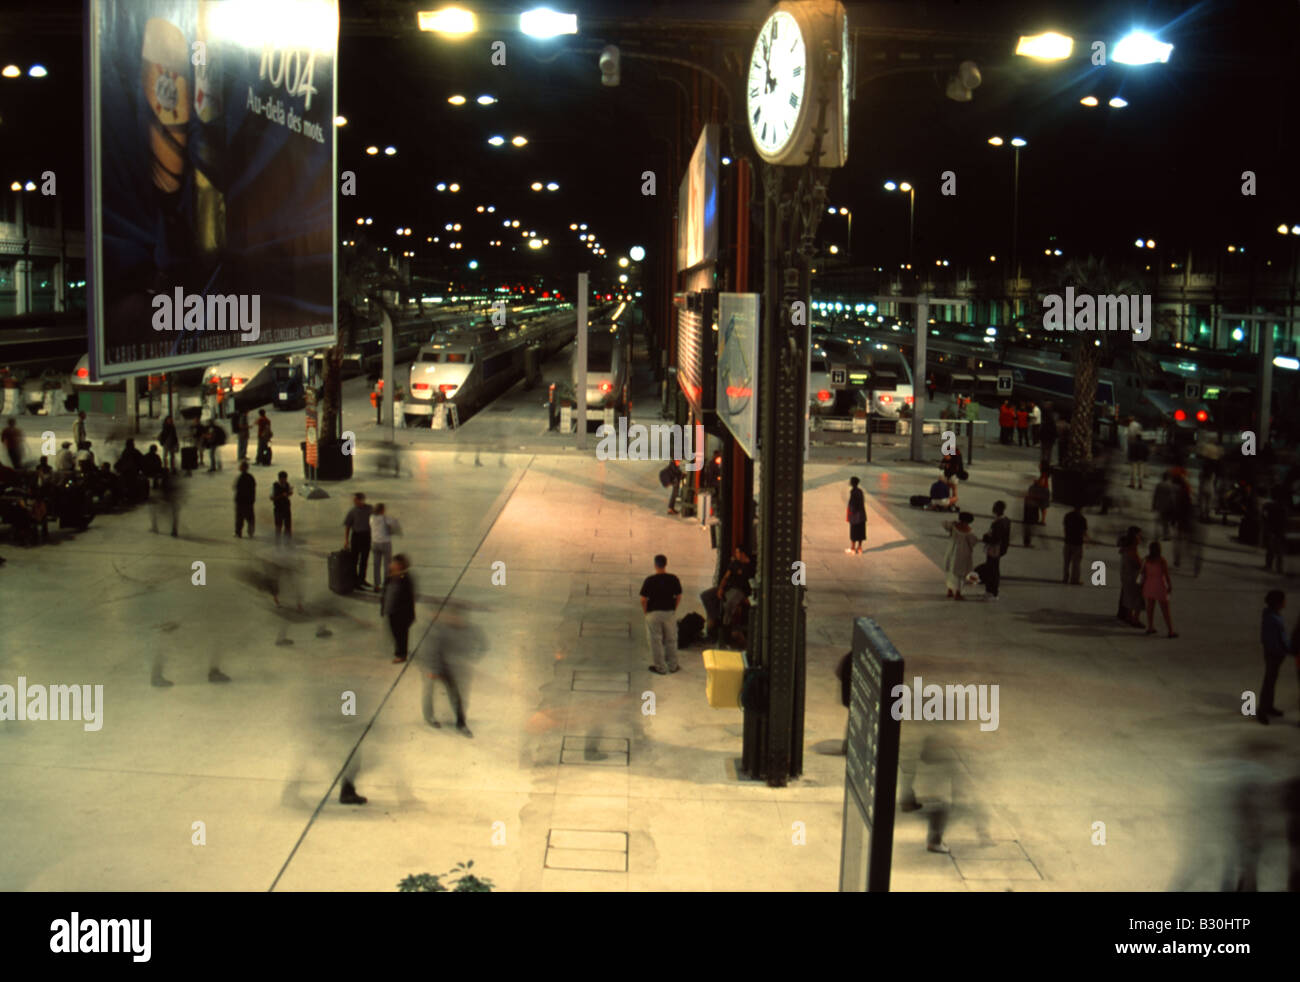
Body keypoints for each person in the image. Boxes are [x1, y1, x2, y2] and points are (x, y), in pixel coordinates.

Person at [421, 604, 483, 737]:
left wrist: (474, 656)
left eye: (459, 617)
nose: (456, 620)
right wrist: (432, 669)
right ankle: (429, 716)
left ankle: (461, 723)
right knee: (429, 689)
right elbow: (432, 650)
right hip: (435, 665)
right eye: (453, 617)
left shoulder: (469, 629)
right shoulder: (441, 629)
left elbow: (482, 643)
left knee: (455, 694)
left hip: (449, 667)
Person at [639, 554, 682, 675]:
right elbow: (678, 596)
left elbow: (643, 599)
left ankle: (660, 668)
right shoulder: (673, 579)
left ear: (655, 565)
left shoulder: (650, 580)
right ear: (665, 564)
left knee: (655, 641)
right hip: (669, 612)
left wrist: (646, 612)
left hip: (653, 613)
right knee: (671, 639)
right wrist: (674, 608)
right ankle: (673, 666)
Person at [702, 546, 753, 644]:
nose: (736, 554)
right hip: (729, 588)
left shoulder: (750, 566)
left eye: (738, 552)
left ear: (743, 554)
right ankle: (713, 617)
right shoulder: (734, 563)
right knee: (706, 595)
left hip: (740, 590)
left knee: (729, 604)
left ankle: (726, 628)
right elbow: (726, 577)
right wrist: (721, 588)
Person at [1259, 590, 1288, 725]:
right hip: (1274, 655)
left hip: (1276, 654)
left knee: (1272, 681)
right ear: (1277, 603)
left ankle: (1268, 706)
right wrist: (1284, 650)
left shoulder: (1273, 615)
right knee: (1269, 682)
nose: (1285, 602)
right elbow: (1273, 639)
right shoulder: (1272, 618)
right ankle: (1262, 710)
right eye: (1283, 600)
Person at [381, 553, 415, 663]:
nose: (391, 565)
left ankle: (401, 654)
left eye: (394, 563)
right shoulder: (390, 577)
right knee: (395, 632)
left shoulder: (405, 579)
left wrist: (409, 615)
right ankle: (401, 650)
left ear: (400, 565)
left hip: (401, 613)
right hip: (391, 611)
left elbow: (409, 598)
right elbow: (385, 593)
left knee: (401, 633)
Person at [1139, 541, 1177, 637]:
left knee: (1150, 608)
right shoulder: (1161, 560)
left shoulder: (1146, 559)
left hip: (1149, 585)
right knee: (1165, 610)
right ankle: (1170, 630)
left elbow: (1142, 573)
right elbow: (1166, 575)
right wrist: (1169, 585)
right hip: (1160, 585)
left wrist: (1141, 584)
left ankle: (1150, 627)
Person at [977, 501, 1011, 600]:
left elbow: (995, 538)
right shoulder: (1007, 520)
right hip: (1000, 549)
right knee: (992, 569)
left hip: (994, 549)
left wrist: (985, 538)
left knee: (992, 570)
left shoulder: (998, 523)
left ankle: (992, 592)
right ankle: (990, 591)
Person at [942, 512, 978, 600]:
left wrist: (953, 522)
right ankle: (958, 593)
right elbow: (973, 541)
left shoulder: (954, 526)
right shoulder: (969, 531)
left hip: (951, 550)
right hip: (962, 553)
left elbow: (944, 524)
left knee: (951, 571)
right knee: (960, 574)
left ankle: (949, 590)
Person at [343, 492, 374, 587]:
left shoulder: (370, 509)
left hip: (366, 536)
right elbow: (347, 526)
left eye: (356, 500)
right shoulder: (352, 511)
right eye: (354, 500)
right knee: (354, 560)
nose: (354, 502)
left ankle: (362, 579)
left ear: (362, 500)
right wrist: (346, 540)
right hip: (356, 536)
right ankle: (355, 581)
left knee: (364, 559)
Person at [1118, 528, 1144, 627]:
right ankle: (1135, 619)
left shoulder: (1125, 549)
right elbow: (1138, 564)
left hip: (1126, 576)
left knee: (1128, 598)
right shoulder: (1132, 550)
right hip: (1133, 577)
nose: (1140, 538)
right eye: (1139, 536)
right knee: (1137, 598)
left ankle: (1129, 616)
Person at [369, 502, 399, 592]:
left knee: (376, 565)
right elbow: (394, 525)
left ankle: (376, 585)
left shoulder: (371, 518)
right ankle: (386, 585)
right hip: (385, 543)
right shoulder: (386, 518)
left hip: (375, 543)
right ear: (382, 510)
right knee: (387, 565)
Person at [1062, 503, 1091, 585]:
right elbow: (1084, 532)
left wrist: (1066, 536)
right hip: (1077, 543)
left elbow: (1064, 527)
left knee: (1066, 562)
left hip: (1068, 542)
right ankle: (1074, 580)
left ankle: (1065, 578)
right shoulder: (1082, 519)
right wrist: (1088, 541)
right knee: (1076, 563)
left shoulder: (1067, 516)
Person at [1264, 495, 1287, 574]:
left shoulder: (1270, 506)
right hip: (1279, 530)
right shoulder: (1283, 508)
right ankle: (1278, 568)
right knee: (1278, 550)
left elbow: (1265, 516)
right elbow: (1284, 520)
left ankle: (1269, 566)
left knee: (1271, 548)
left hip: (1273, 529)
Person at [233, 461, 256, 537]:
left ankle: (238, 532)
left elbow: (235, 487)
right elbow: (253, 489)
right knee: (250, 517)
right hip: (248, 501)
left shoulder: (240, 477)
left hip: (241, 501)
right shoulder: (250, 477)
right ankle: (250, 532)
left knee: (240, 517)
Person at [846, 476, 866, 554]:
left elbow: (852, 504)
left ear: (852, 483)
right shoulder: (860, 491)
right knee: (861, 531)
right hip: (862, 515)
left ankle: (853, 548)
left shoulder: (853, 492)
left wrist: (850, 514)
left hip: (855, 516)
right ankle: (860, 547)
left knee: (854, 532)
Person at [270, 471, 293, 542]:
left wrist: (289, 493)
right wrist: (281, 496)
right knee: (278, 525)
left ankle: (288, 540)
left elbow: (288, 494)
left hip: (286, 508)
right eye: (282, 479)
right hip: (278, 508)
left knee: (288, 525)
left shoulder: (287, 485)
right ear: (279, 478)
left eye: (285, 479)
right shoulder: (275, 486)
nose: (284, 480)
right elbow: (272, 498)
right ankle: (278, 540)